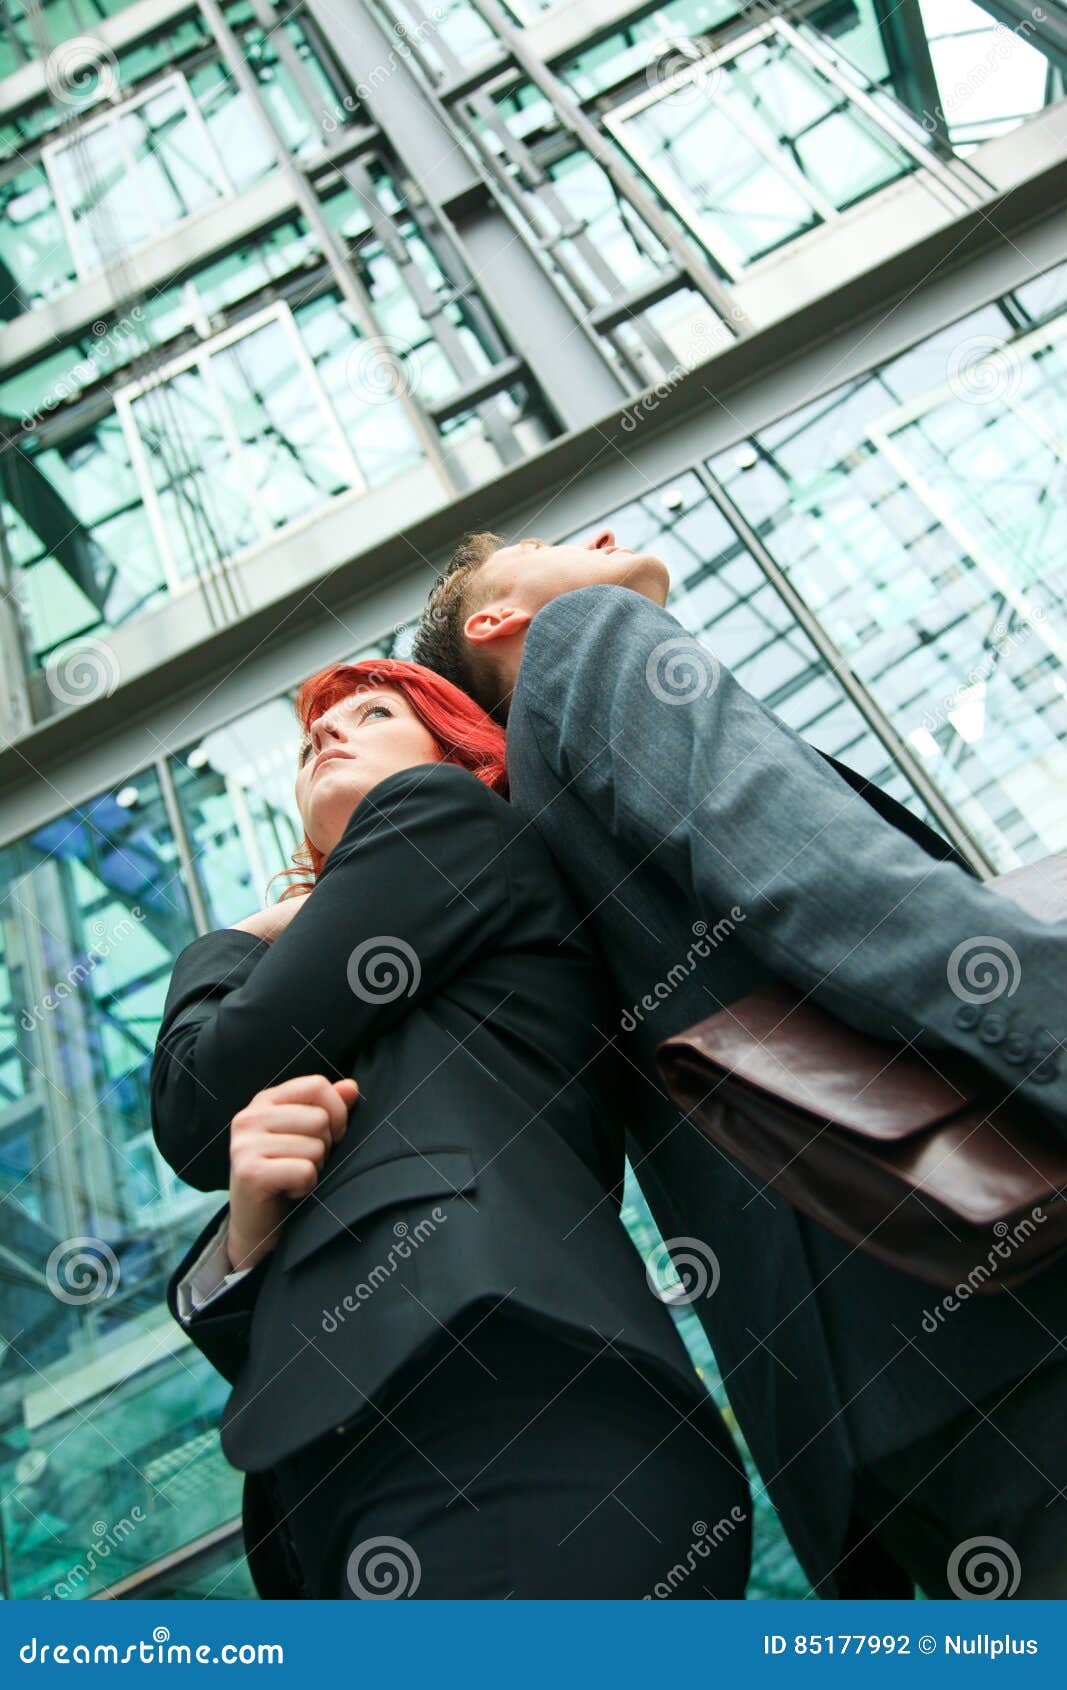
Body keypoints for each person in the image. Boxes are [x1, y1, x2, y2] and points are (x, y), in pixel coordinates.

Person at [411, 528, 1067, 1599]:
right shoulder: (587, 640)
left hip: (869, 1404)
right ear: (494, 621)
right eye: (545, 541)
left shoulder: (535, 837)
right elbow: (827, 883)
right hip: (1002, 1299)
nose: (606, 534)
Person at [151, 658, 751, 1600]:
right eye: (312, 739)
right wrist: (248, 1239)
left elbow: (194, 1104)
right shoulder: (386, 986)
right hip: (381, 1463)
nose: (327, 737)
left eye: (374, 712)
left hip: (511, 1417)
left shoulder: (443, 815)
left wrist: (227, 942)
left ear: (457, 749)